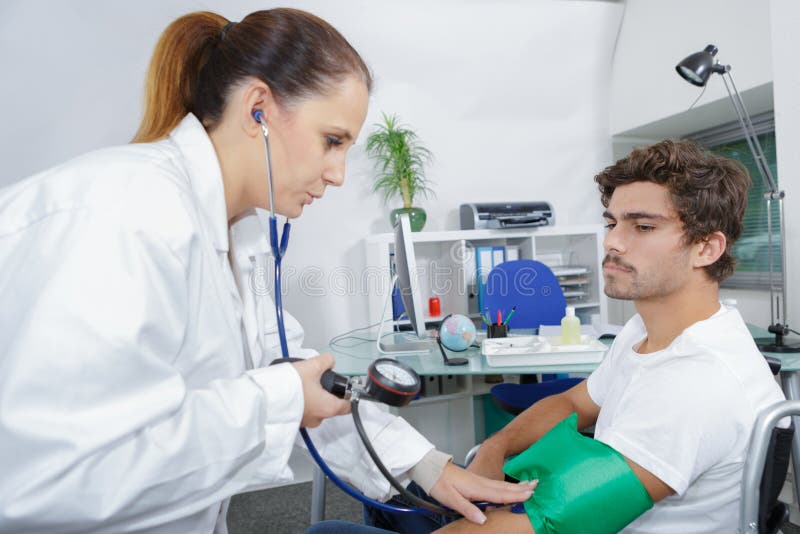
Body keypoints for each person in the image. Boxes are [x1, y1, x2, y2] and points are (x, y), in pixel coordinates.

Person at [0, 9, 534, 533]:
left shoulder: (236, 235)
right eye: (332, 140)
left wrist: (425, 465)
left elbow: (299, 377)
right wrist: (278, 399)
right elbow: (60, 474)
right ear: (258, 109)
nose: (338, 174)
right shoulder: (122, 216)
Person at [371, 139, 787, 533]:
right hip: (568, 516)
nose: (613, 242)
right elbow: (573, 403)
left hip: (566, 525)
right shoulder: (645, 330)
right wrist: (495, 448)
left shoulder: (697, 380)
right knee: (388, 494)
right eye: (612, 223)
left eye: (643, 226)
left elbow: (548, 525)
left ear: (707, 249)